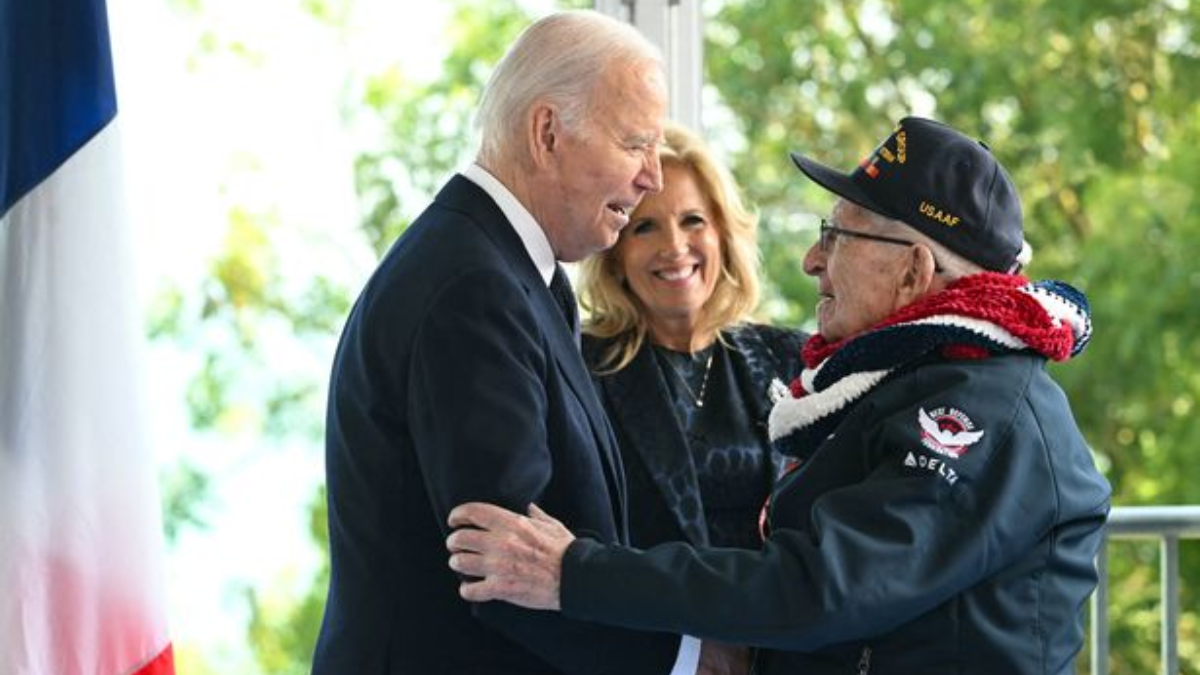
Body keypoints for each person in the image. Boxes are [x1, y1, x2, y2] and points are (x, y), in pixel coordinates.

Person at [446, 116, 1112, 675]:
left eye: (839, 235)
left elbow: (823, 586)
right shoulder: (914, 379)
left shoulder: (974, 412)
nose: (813, 261)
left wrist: (573, 572)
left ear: (913, 270)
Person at [311, 10, 738, 675]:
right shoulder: (473, 287)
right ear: (548, 133)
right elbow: (506, 573)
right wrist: (687, 656)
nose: (652, 174)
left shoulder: (520, 274)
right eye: (635, 143)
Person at [577, 122, 805, 552]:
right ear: (615, 252)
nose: (675, 246)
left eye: (692, 220)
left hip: (771, 613)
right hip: (644, 614)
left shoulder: (790, 357)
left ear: (722, 234)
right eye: (645, 227)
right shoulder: (581, 367)